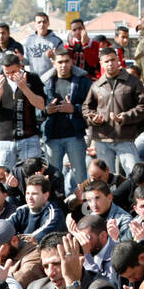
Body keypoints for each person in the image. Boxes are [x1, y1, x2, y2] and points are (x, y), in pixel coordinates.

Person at [82, 47, 144, 175]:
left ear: (118, 60)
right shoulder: (96, 85)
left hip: (125, 136)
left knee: (134, 175)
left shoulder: (133, 82)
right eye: (106, 61)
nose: (110, 63)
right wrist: (93, 118)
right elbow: (86, 108)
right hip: (102, 139)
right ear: (101, 63)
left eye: (113, 60)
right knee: (105, 178)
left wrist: (125, 117)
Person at [42, 49, 93, 191]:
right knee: (53, 177)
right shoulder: (46, 82)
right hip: (52, 136)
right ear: (54, 63)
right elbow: (37, 109)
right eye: (60, 62)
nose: (63, 65)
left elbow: (92, 105)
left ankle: (83, 207)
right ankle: (58, 207)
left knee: (80, 176)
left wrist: (74, 109)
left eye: (66, 61)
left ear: (71, 62)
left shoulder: (83, 81)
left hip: (74, 135)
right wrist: (46, 110)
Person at [0, 52, 46, 171]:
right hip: (6, 138)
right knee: (5, 176)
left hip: (29, 136)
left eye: (13, 72)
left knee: (32, 175)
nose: (10, 76)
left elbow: (41, 105)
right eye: (6, 72)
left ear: (20, 67)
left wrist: (24, 88)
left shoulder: (32, 78)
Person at [24, 11, 64, 77]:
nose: (42, 24)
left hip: (51, 78)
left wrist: (53, 57)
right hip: (35, 79)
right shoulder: (29, 41)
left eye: (44, 22)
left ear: (48, 23)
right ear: (35, 24)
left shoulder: (56, 41)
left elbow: (63, 61)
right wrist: (20, 59)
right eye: (39, 22)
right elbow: (26, 62)